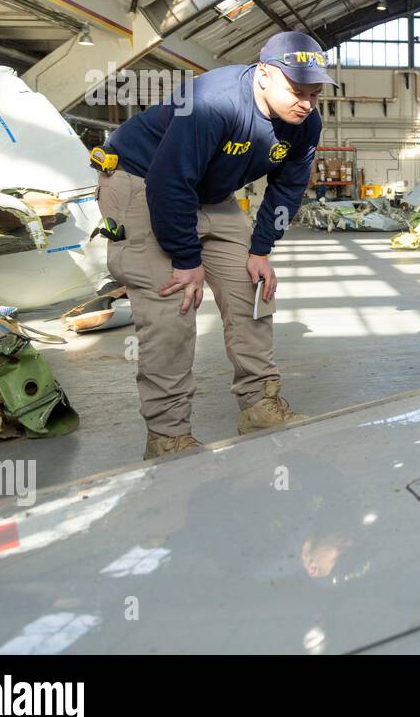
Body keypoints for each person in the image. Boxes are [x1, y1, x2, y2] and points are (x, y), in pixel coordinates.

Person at [97, 31, 330, 458]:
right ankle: (168, 436)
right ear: (263, 75)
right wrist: (187, 259)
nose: (307, 103)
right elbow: (169, 183)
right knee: (174, 306)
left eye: (315, 94)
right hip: (143, 180)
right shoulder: (213, 102)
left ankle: (260, 404)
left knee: (251, 285)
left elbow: (288, 189)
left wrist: (261, 249)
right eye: (297, 91)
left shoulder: (305, 123)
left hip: (207, 189)